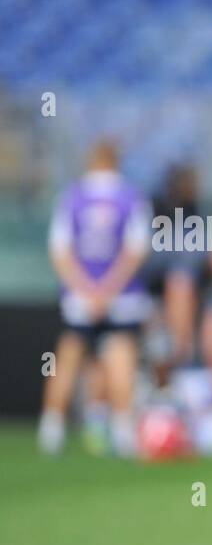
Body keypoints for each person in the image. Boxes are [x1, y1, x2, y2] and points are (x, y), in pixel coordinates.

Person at [38, 139, 151, 458]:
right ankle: (123, 430)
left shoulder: (72, 196)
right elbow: (135, 250)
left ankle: (52, 428)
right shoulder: (130, 196)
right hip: (122, 297)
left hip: (79, 296)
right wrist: (109, 289)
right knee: (121, 356)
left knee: (69, 357)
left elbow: (60, 251)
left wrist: (86, 289)